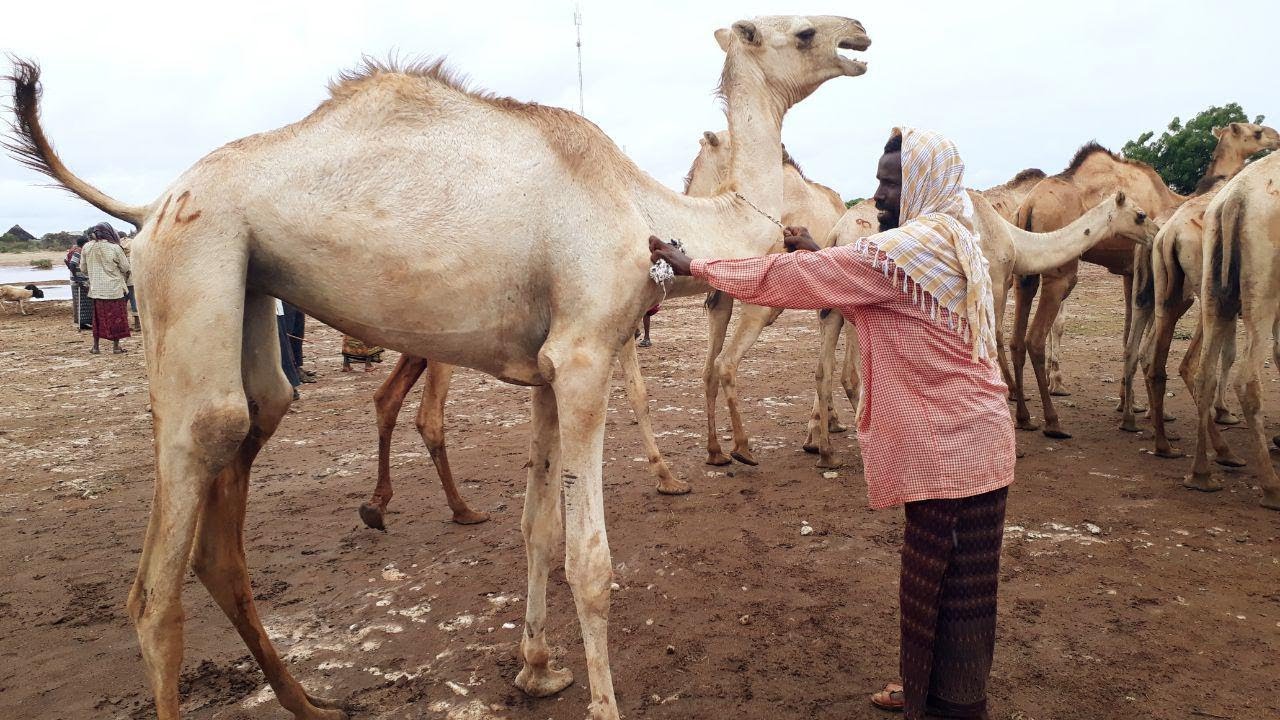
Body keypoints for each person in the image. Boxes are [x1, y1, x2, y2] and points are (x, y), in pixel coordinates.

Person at [649, 128, 1016, 720]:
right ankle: (930, 687)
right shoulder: (950, 235)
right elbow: (865, 289)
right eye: (880, 180)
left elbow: (791, 283)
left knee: (948, 590)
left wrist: (694, 265)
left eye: (891, 182)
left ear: (922, 184)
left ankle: (949, 705)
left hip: (953, 453)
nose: (879, 194)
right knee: (957, 585)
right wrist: (819, 249)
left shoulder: (906, 249)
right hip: (975, 443)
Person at [80, 222, 132, 354]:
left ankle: (96, 347)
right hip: (114, 290)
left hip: (96, 290)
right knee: (117, 318)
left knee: (97, 319)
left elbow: (83, 269)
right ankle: (115, 347)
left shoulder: (87, 247)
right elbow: (126, 267)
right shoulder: (115, 248)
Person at [274, 299, 302, 400]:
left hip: (273, 309)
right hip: (273, 310)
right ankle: (289, 384)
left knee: (281, 343)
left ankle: (289, 385)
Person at [281, 302, 314, 382]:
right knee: (288, 330)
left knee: (298, 328)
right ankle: (292, 369)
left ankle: (297, 365)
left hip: (292, 296)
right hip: (280, 298)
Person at [64, 235, 92, 330]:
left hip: (78, 279)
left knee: (81, 302)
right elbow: (72, 264)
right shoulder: (78, 252)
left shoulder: (74, 250)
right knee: (83, 302)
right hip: (80, 281)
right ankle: (83, 323)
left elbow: (66, 261)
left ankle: (84, 322)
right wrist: (76, 278)